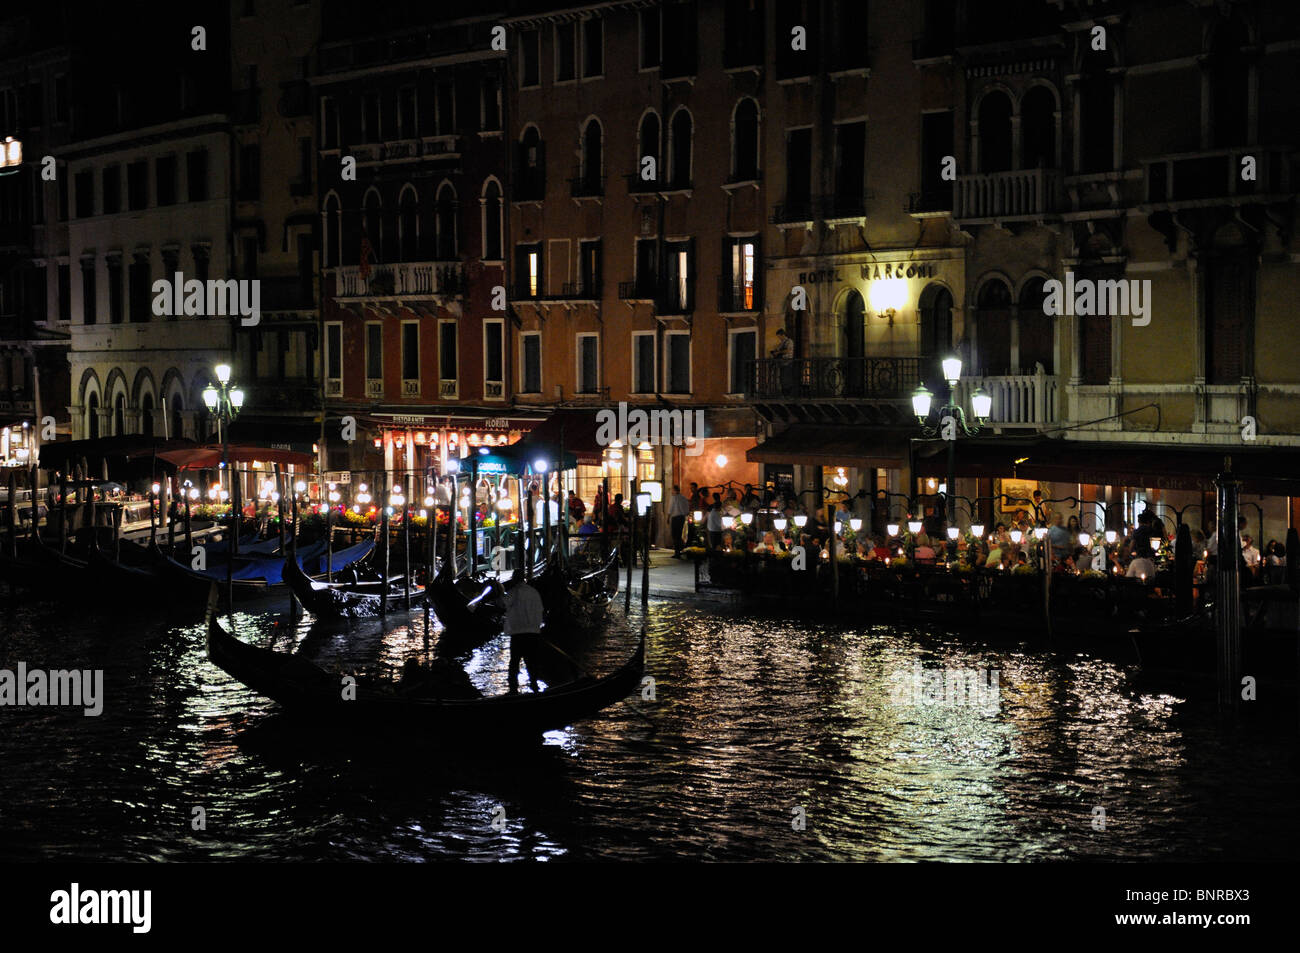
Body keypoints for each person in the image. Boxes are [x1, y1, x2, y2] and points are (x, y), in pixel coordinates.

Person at [501, 579, 547, 693]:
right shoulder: (534, 593)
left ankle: (513, 688)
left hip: (518, 634)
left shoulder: (513, 592)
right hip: (532, 633)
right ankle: (534, 685)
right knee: (531, 661)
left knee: (514, 662)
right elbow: (540, 610)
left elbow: (503, 604)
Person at [667, 484, 690, 558]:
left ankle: (677, 552)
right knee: (679, 534)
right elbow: (687, 508)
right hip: (682, 518)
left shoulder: (673, 498)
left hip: (675, 518)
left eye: (672, 490)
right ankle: (679, 551)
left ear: (675, 490)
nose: (671, 491)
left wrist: (668, 517)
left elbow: (670, 508)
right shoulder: (683, 498)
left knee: (674, 535)